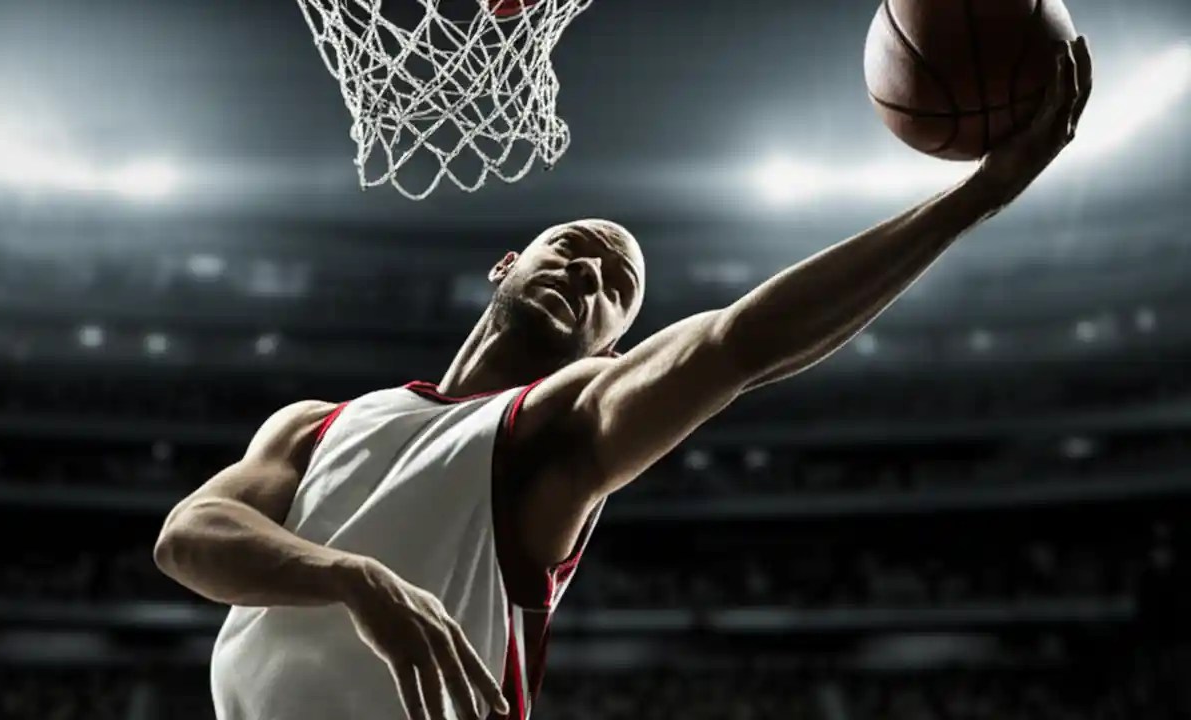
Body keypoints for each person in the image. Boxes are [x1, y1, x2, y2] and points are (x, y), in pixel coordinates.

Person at [153, 37, 1092, 720]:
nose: (589, 273)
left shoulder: (556, 431)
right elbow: (189, 536)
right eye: (574, 249)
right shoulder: (320, 422)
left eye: (617, 286)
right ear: (507, 264)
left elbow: (738, 344)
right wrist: (353, 579)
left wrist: (973, 198)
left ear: (610, 350)